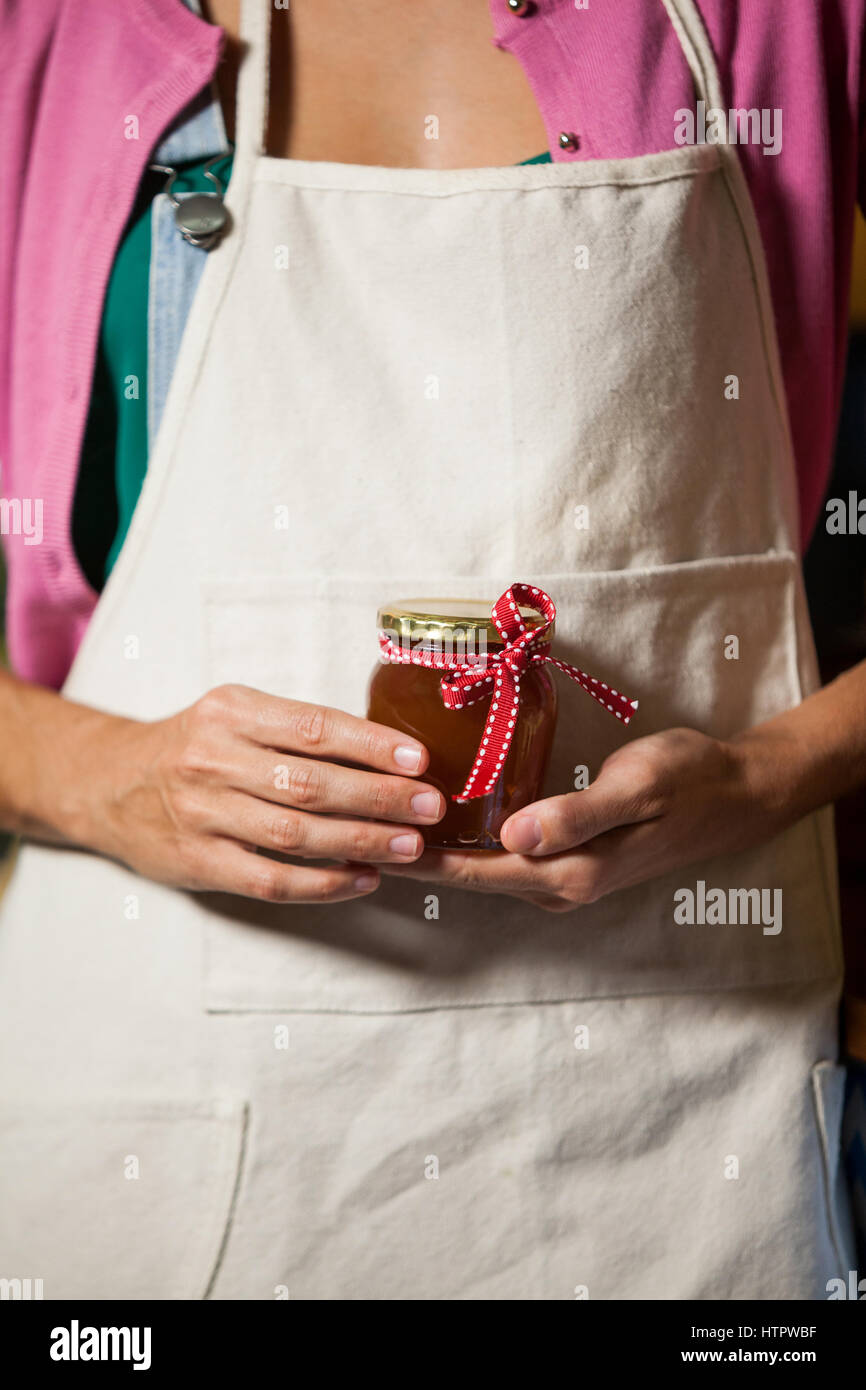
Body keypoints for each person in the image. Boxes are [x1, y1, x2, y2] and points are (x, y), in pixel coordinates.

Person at [0, 0, 864, 1299]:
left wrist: (771, 770)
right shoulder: (49, 28)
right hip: (167, 1077)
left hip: (676, 1091)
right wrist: (96, 774)